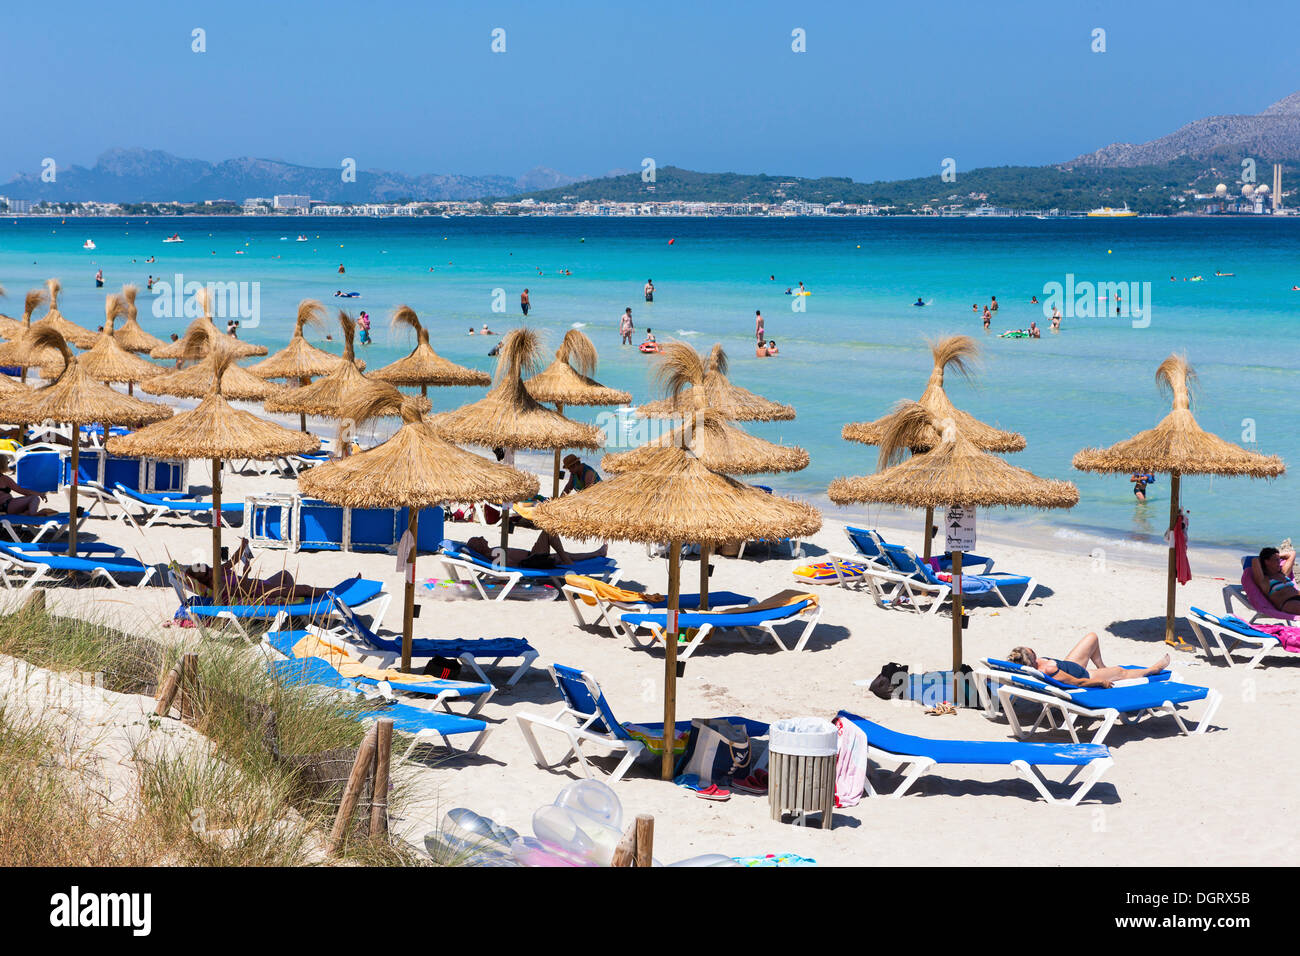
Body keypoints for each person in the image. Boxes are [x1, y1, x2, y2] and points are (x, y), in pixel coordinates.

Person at [181, 539, 346, 604]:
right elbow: (243, 590)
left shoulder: (217, 571)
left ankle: (294, 602)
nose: (211, 570)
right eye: (207, 572)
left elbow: (232, 561)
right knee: (305, 589)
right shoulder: (219, 586)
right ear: (205, 580)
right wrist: (246, 571)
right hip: (258, 592)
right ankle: (341, 593)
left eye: (208, 567)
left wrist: (242, 547)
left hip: (261, 585)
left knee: (285, 575)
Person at [1007, 636, 1170, 689]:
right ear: (1032, 658)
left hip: (1069, 665)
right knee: (1121, 671)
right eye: (1031, 650)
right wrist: (1100, 681)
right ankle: (1153, 669)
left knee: (1092, 637)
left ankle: (1103, 668)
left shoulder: (1022, 667)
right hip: (1084, 674)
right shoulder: (1048, 669)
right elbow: (1077, 682)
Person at [463, 531, 607, 570]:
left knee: (562, 554)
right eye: (479, 539)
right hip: (531, 561)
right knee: (548, 532)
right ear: (479, 547)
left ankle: (596, 553)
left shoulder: (493, 552)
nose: (482, 536)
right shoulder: (494, 555)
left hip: (531, 556)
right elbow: (511, 565)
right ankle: (568, 561)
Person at [1250, 547, 1300, 615]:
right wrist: (1264, 557)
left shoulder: (1283, 573)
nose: (1279, 562)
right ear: (1267, 561)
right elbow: (1254, 560)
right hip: (1288, 602)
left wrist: (1276, 555)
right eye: (1276, 560)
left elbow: (1292, 553)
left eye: (1279, 559)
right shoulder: (1264, 581)